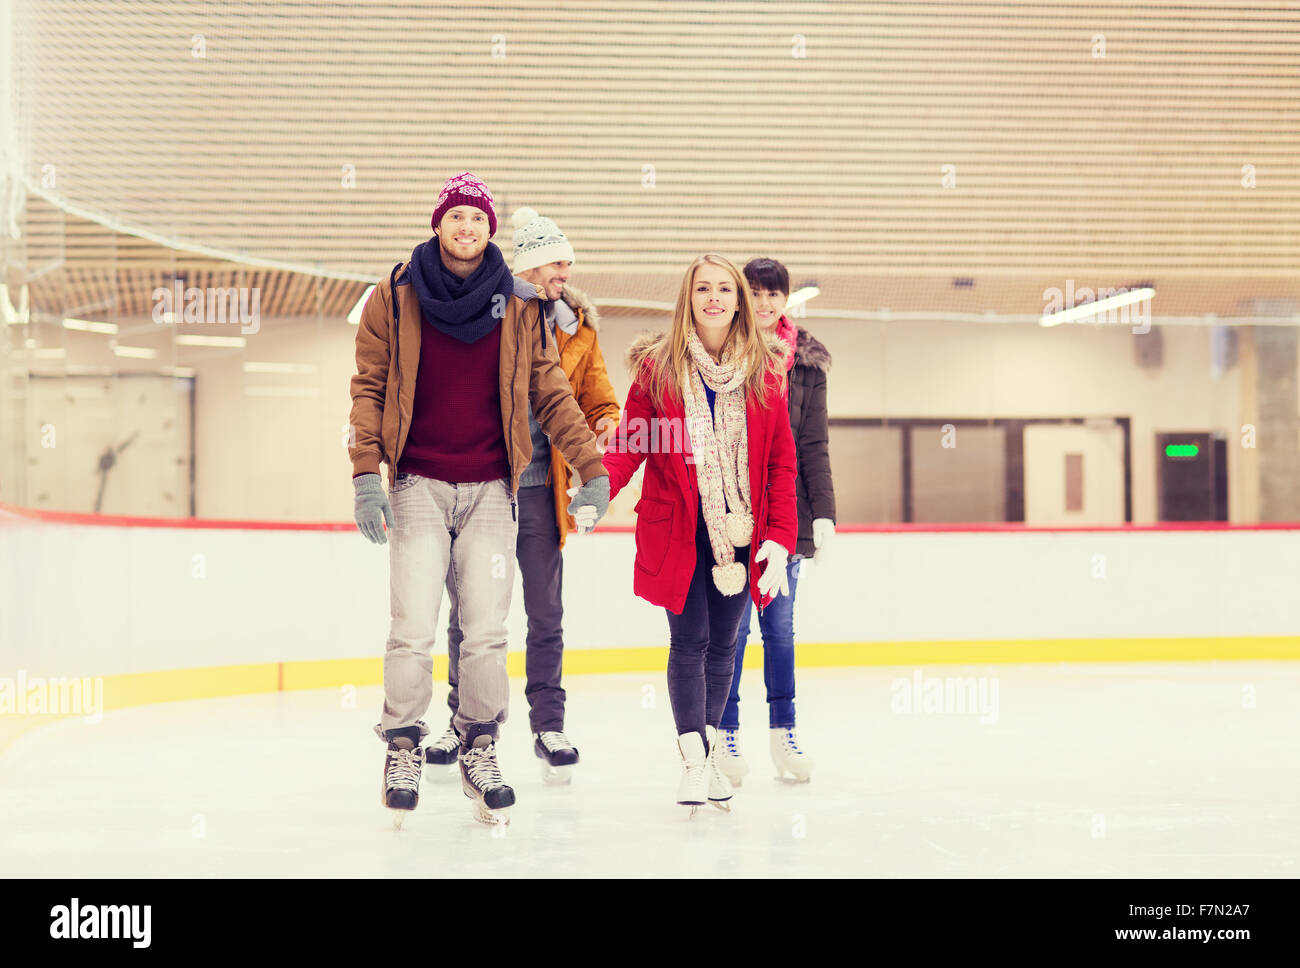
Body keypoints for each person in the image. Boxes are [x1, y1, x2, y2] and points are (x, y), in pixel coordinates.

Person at [348, 172, 610, 826]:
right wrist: (364, 475)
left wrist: (592, 467)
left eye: (478, 219)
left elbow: (553, 393)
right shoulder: (396, 293)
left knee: (487, 631)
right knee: (413, 627)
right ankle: (402, 745)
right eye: (456, 217)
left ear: (491, 230)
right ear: (439, 223)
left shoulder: (519, 302)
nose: (467, 229)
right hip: (417, 484)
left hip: (494, 488)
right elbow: (368, 387)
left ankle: (480, 744)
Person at [423, 206, 621, 784]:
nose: (565, 272)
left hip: (542, 491)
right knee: (470, 612)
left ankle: (548, 723)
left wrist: (604, 422)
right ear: (533, 265)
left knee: (545, 609)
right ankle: (462, 722)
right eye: (558, 262)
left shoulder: (579, 327)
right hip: (488, 483)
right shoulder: (493, 310)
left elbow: (598, 397)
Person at [601, 253, 797, 814]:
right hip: (678, 530)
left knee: (724, 647)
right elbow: (632, 443)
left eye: (724, 290)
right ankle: (691, 760)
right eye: (703, 289)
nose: (714, 298)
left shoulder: (765, 372)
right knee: (689, 642)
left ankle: (710, 752)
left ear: (739, 300)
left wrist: (780, 537)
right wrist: (596, 491)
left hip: (741, 532)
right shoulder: (659, 369)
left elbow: (781, 464)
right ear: (688, 298)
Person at [716, 258, 836, 785]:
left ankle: (783, 734)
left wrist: (825, 512)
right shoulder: (722, 354)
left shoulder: (806, 367)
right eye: (756, 293)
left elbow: (814, 447)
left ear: (786, 300)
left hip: (787, 516)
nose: (765, 303)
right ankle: (726, 733)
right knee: (734, 629)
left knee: (780, 629)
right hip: (732, 515)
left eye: (774, 294)